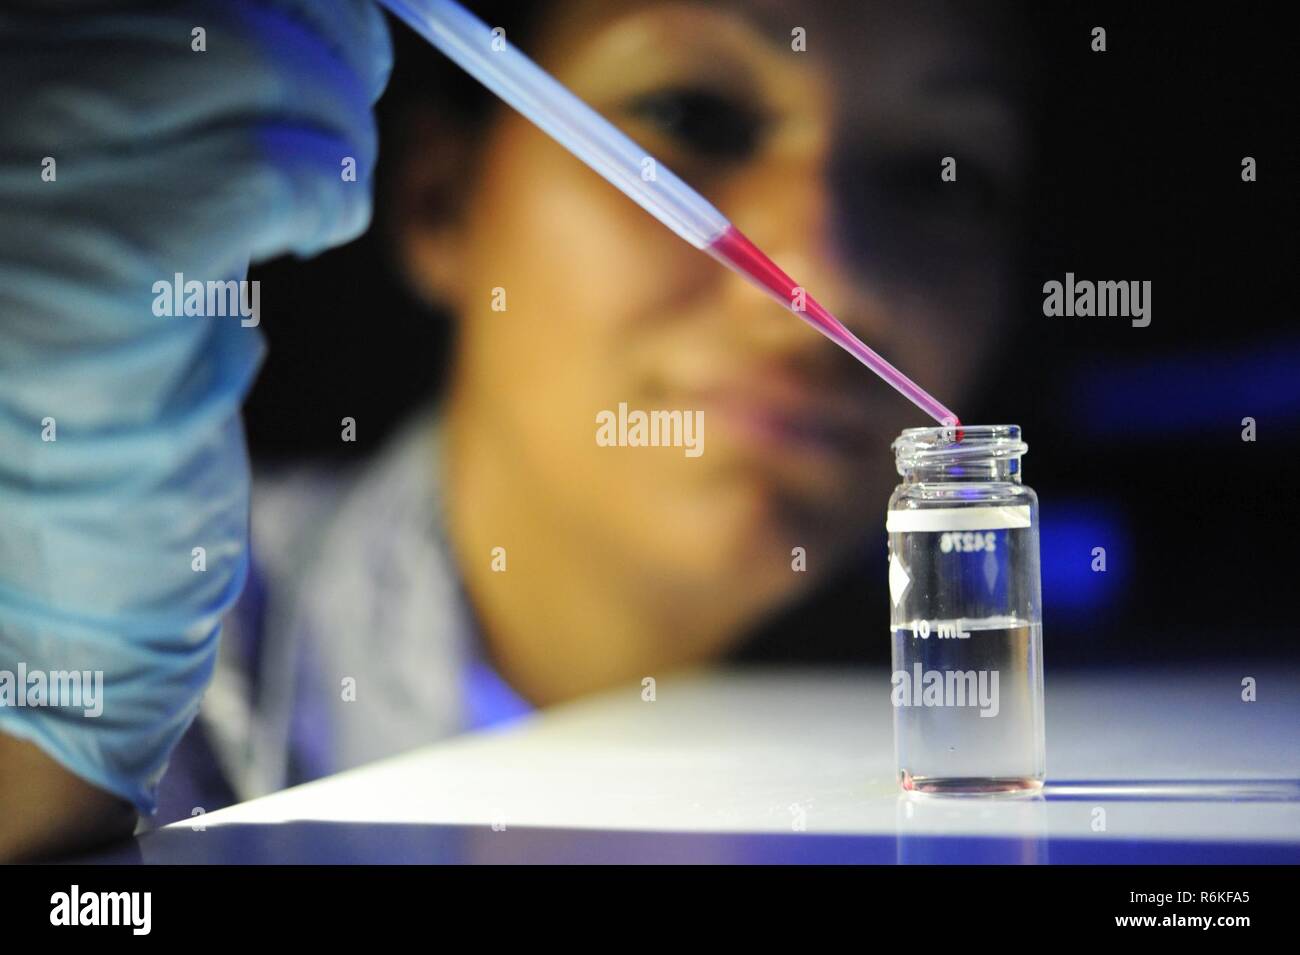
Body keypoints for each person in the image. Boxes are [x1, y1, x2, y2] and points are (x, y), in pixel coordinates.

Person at [0, 0, 1026, 858]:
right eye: (693, 113)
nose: (830, 278)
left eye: (938, 171)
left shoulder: (931, 742)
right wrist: (48, 798)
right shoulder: (144, 687)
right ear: (439, 194)